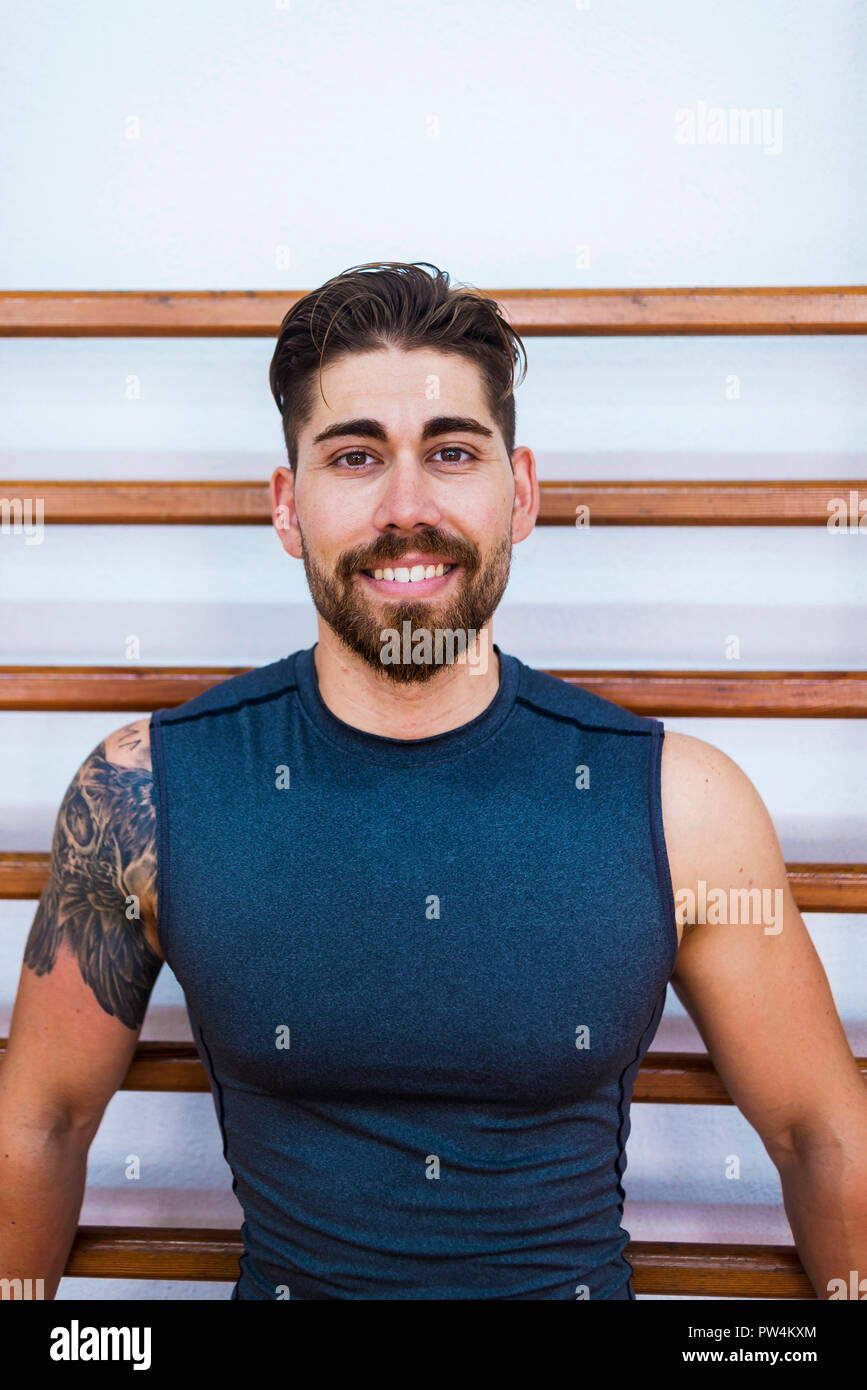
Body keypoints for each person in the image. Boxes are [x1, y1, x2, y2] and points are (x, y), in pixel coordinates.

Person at [2, 262, 864, 1301]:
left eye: (452, 451)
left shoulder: (686, 804)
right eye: (356, 456)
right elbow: (40, 1122)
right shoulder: (140, 794)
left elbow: (823, 1134)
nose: (406, 508)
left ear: (523, 492)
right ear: (287, 506)